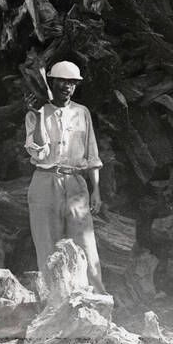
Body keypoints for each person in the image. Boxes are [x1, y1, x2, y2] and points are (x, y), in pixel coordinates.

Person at [25, 60, 105, 292]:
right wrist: (38, 115)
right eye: (62, 81)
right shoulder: (36, 113)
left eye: (72, 82)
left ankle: (98, 304)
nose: (67, 87)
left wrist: (96, 191)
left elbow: (92, 155)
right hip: (44, 181)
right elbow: (39, 151)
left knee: (86, 248)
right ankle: (54, 306)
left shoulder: (82, 113)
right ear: (51, 82)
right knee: (48, 250)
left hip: (75, 183)